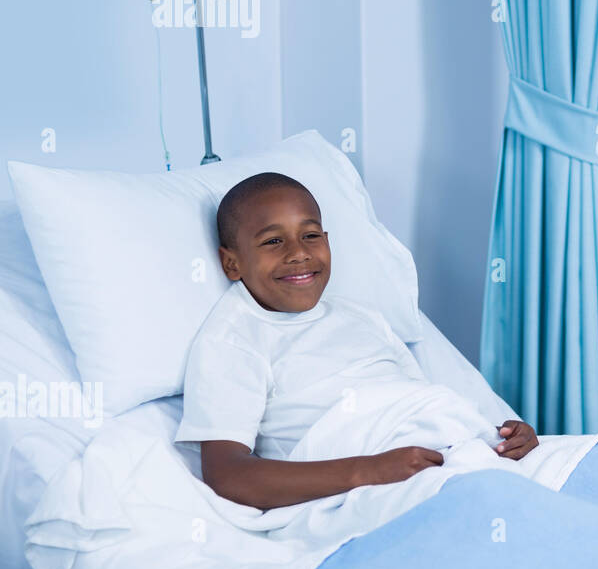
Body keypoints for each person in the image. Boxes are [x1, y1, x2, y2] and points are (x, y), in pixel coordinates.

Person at [175, 172, 539, 510]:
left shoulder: (362, 317)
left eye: (311, 235)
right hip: (374, 483)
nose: (298, 252)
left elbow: (416, 404)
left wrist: (501, 435)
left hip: (447, 456)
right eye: (273, 241)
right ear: (232, 264)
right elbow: (228, 474)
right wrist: (367, 471)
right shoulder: (235, 339)